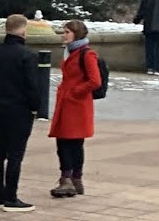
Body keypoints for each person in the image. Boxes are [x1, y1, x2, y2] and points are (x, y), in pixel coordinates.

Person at [0, 14, 40, 213]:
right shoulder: (27, 55)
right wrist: (35, 106)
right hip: (20, 109)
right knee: (15, 154)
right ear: (23, 31)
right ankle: (11, 198)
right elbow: (32, 86)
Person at [48, 20, 101, 199]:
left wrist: (74, 91)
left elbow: (95, 80)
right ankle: (74, 180)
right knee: (70, 142)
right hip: (69, 102)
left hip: (76, 104)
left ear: (76, 34)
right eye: (63, 32)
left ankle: (68, 180)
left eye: (67, 32)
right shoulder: (71, 51)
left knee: (69, 142)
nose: (63, 35)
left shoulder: (86, 54)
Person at [132, 0, 159, 75]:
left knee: (149, 47)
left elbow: (141, 12)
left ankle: (150, 67)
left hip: (149, 26)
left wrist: (136, 20)